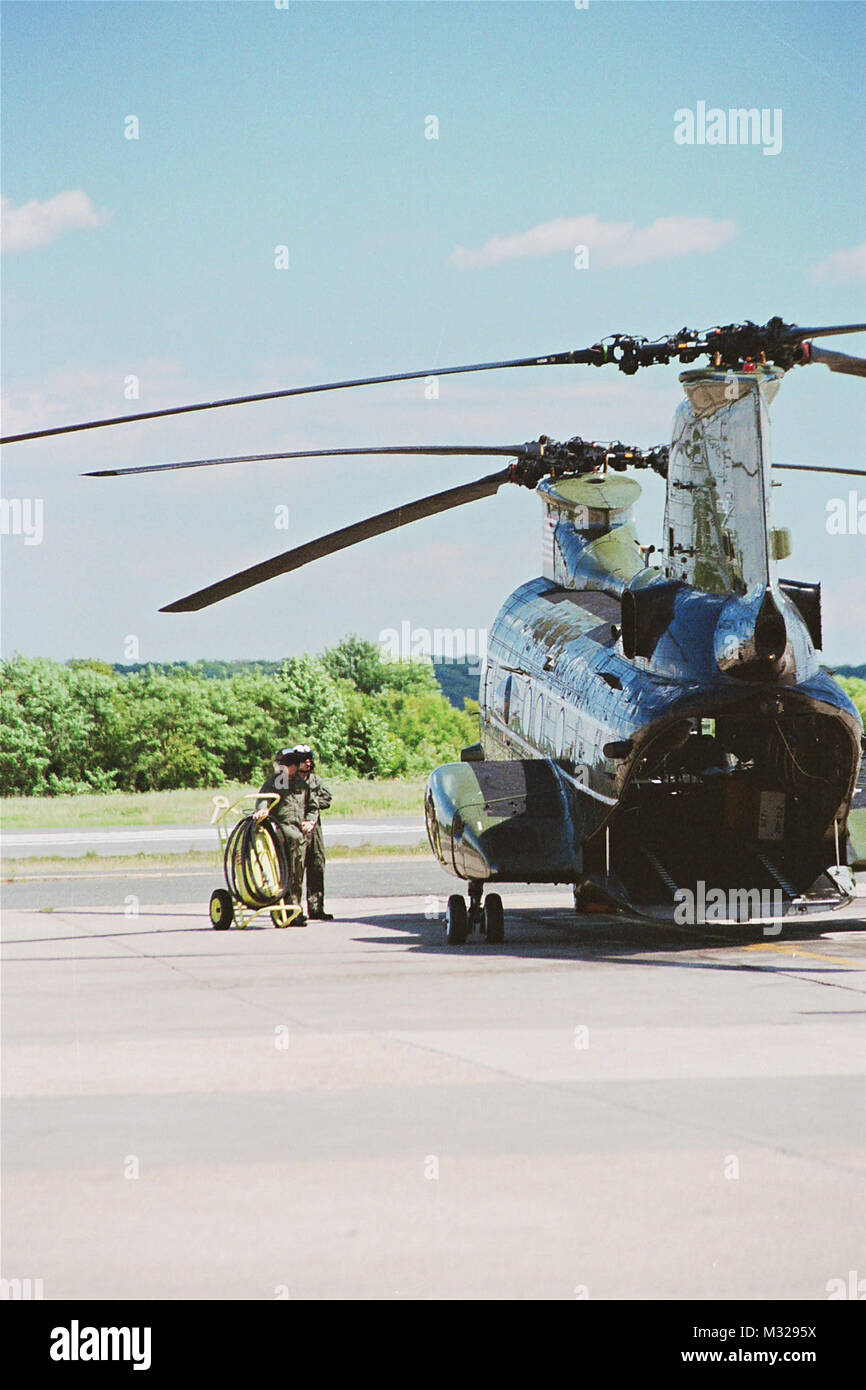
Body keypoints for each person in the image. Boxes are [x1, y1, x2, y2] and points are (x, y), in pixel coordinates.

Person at [254, 748, 318, 924]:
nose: (290, 768)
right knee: (285, 873)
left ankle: (294, 909)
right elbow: (263, 799)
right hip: (282, 831)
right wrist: (262, 810)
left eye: (292, 764)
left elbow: (313, 806)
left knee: (297, 875)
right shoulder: (277, 782)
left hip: (299, 833)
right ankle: (289, 911)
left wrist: (310, 821)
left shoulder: (301, 784)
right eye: (287, 764)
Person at [293, 744, 334, 920]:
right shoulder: (287, 780)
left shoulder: (315, 780)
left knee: (317, 864)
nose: (308, 762)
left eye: (309, 759)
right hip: (295, 827)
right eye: (304, 759)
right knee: (296, 869)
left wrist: (311, 803)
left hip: (314, 828)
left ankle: (316, 908)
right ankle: (294, 910)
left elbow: (327, 799)